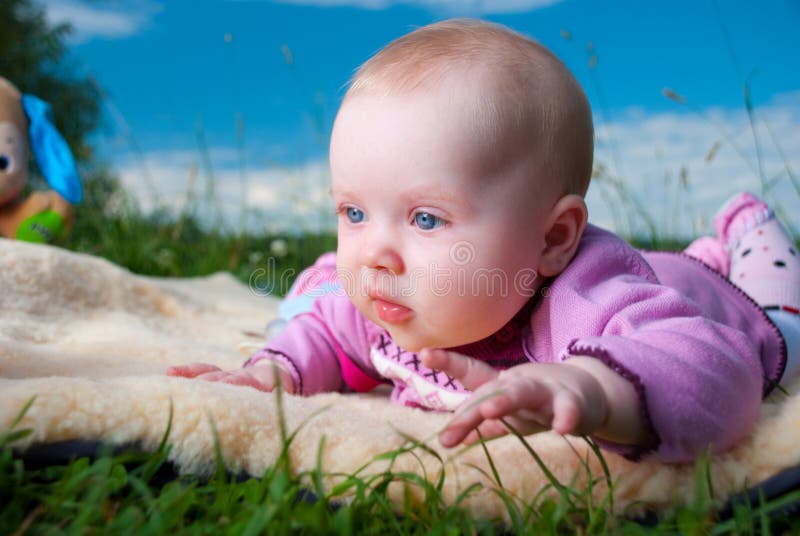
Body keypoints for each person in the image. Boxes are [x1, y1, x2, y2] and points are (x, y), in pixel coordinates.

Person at [168, 19, 800, 462]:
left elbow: (721, 376)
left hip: (721, 305)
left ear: (552, 238)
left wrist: (591, 387)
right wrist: (273, 373)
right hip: (662, 277)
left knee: (785, 326)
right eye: (354, 212)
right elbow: (328, 333)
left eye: (425, 220)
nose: (372, 255)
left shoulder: (587, 299)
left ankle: (745, 225)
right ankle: (704, 252)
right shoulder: (388, 302)